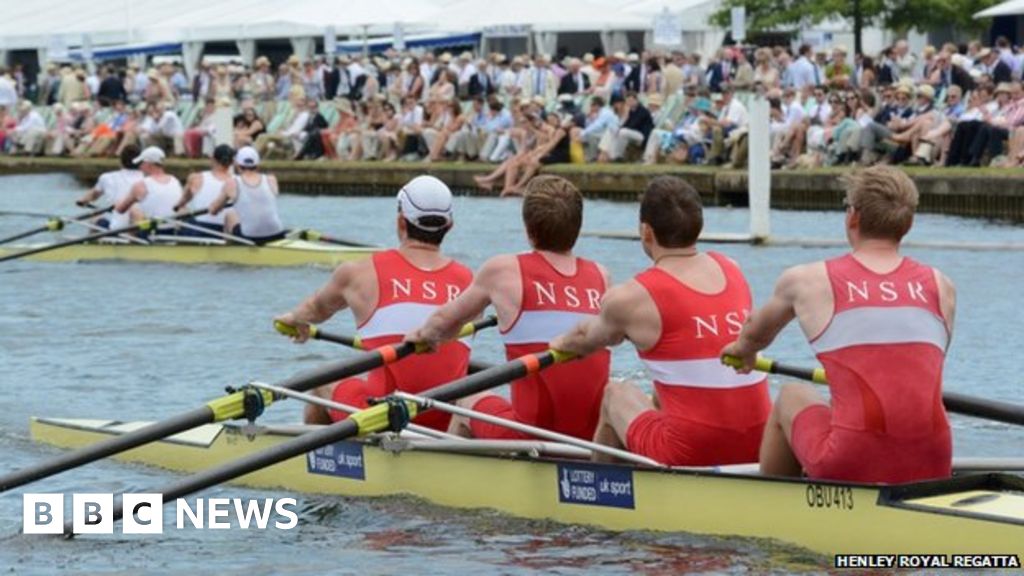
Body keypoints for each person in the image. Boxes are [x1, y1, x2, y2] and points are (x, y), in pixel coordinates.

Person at [722, 166, 956, 484]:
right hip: (936, 458)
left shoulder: (806, 280)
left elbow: (754, 334)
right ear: (909, 223)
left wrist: (743, 351)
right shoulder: (941, 286)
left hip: (851, 460)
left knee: (792, 393)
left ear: (852, 218)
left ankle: (775, 509)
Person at [550, 176, 770, 466]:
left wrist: (557, 344)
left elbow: (585, 341)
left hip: (692, 450)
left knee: (615, 393)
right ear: (698, 226)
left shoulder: (630, 297)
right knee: (662, 389)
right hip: (761, 441)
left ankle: (596, 493)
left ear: (646, 232)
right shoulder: (732, 268)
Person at [407, 175, 611, 441]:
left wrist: (423, 336)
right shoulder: (601, 275)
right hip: (588, 435)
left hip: (529, 433)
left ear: (529, 230)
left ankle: (445, 473)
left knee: (465, 396)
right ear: (577, 227)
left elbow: (445, 322)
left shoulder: (503, 270)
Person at [276, 176, 473, 431]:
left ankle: (324, 462)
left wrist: (293, 320)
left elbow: (315, 309)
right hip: (444, 419)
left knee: (322, 382)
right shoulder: (470, 281)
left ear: (401, 221)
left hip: (382, 418)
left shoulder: (359, 273)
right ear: (450, 225)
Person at [208, 146, 285, 244]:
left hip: (251, 238)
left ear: (237, 164)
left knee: (230, 215)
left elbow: (213, 211)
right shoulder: (271, 179)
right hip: (278, 235)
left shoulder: (232, 183)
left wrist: (213, 207)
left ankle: (230, 253)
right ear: (257, 165)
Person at [75, 144, 143, 230]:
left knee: (95, 217)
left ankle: (93, 241)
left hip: (114, 225)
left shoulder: (107, 177)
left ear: (121, 161)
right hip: (139, 222)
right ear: (141, 162)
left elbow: (93, 195)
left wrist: (82, 201)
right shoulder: (148, 180)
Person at [115, 146, 183, 228]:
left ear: (148, 164)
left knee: (133, 209)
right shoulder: (175, 180)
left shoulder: (141, 185)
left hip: (151, 230)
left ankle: (130, 239)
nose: (140, 167)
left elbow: (120, 210)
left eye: (141, 163)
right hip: (174, 228)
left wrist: (117, 203)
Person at [174, 144, 234, 236]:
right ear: (232, 162)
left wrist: (177, 207)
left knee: (183, 210)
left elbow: (181, 203)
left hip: (200, 229)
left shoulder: (196, 178)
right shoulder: (238, 181)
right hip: (225, 230)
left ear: (212, 159)